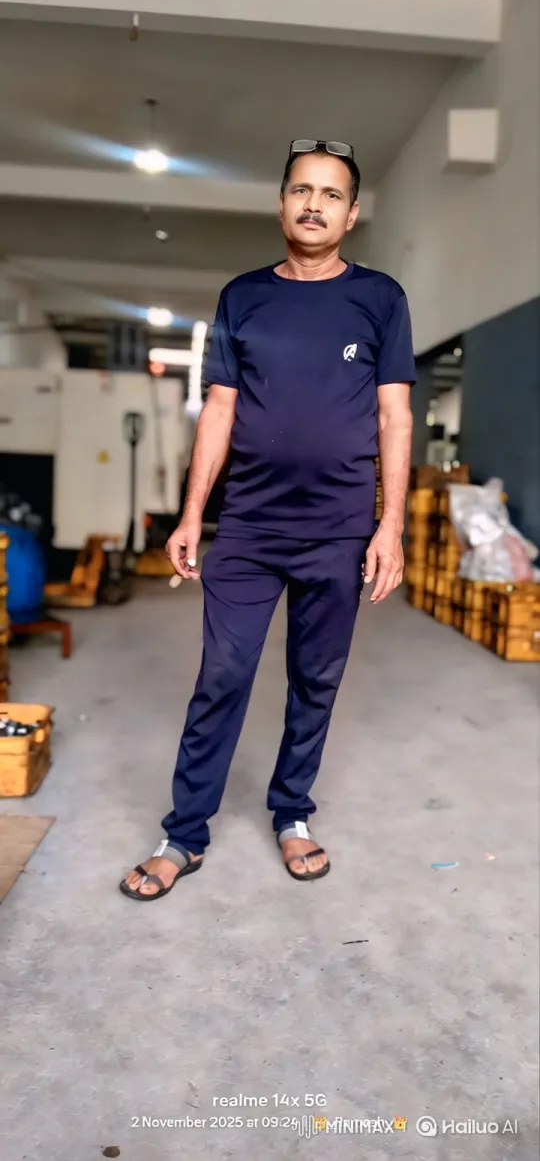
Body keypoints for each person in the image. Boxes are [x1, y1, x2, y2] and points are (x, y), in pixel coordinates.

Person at [120, 139, 416, 902]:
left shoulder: (380, 298)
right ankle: (183, 834)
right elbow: (218, 409)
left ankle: (292, 813)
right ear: (280, 203)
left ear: (352, 214)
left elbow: (395, 416)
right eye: (300, 191)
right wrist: (193, 513)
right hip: (248, 527)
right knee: (223, 674)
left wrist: (391, 526)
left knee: (316, 679)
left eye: (330, 194)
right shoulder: (242, 296)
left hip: (341, 528)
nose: (313, 204)